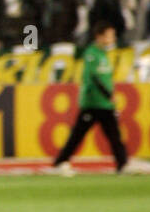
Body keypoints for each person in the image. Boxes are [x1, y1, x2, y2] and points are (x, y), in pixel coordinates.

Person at [49, 22, 127, 175]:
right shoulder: (92, 53)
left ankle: (122, 164)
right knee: (78, 135)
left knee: (113, 135)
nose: (113, 39)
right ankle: (60, 161)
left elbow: (104, 78)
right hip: (92, 103)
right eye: (110, 35)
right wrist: (108, 94)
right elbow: (94, 78)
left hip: (104, 104)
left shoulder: (103, 54)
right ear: (100, 36)